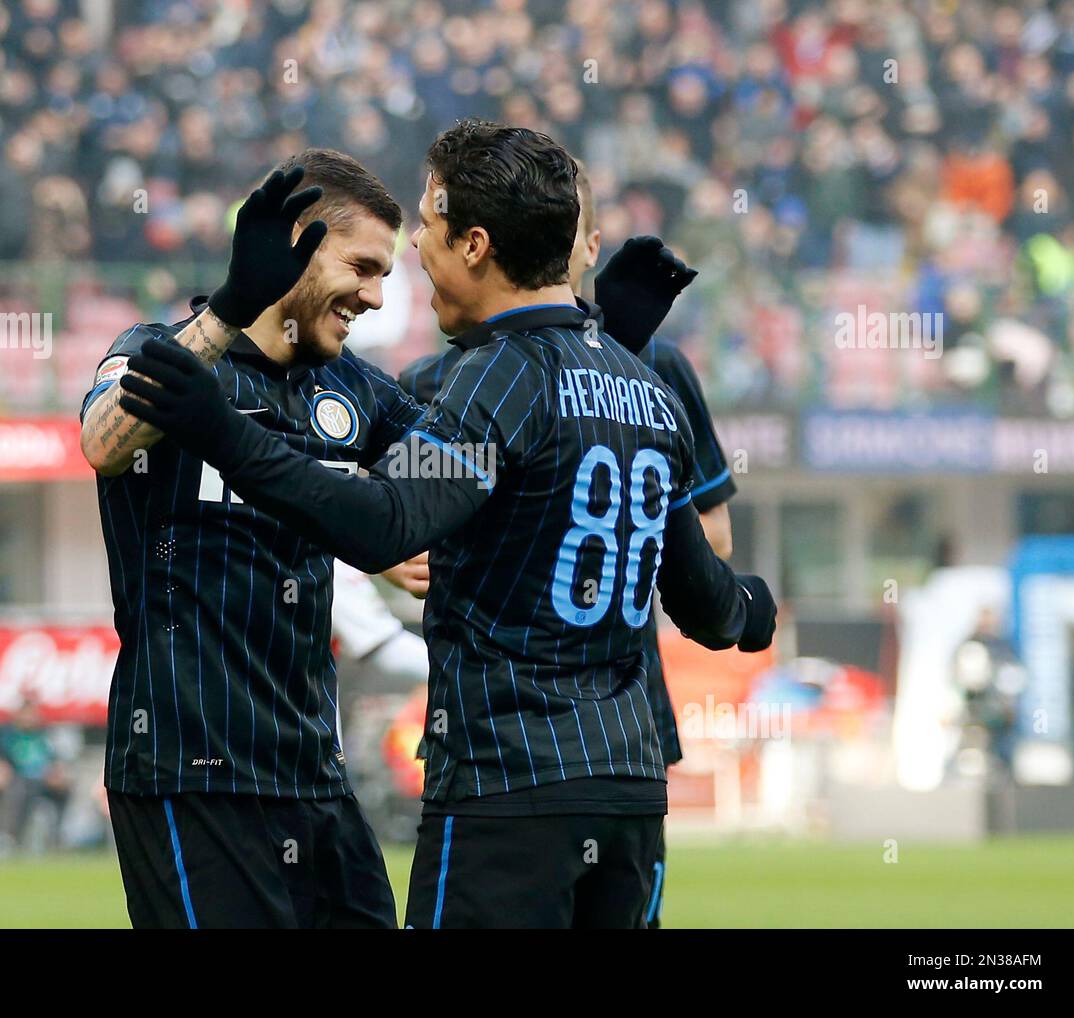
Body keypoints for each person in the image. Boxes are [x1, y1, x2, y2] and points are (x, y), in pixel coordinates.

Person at [119, 119, 776, 928]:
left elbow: (389, 518)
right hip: (629, 793)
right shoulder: (643, 388)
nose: (409, 263)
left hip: (506, 789)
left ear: (473, 244)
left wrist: (222, 431)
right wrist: (751, 609)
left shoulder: (496, 379)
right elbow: (707, 601)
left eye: (425, 228)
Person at [80, 150, 426, 928]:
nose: (374, 297)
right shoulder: (157, 348)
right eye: (363, 267)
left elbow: (462, 472)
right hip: (190, 773)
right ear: (295, 245)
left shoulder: (357, 392)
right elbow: (104, 444)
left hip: (314, 776)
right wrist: (233, 305)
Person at [399, 162, 733, 929]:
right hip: (513, 729)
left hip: (606, 719)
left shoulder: (660, 369)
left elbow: (709, 535)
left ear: (587, 243)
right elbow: (395, 524)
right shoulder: (443, 381)